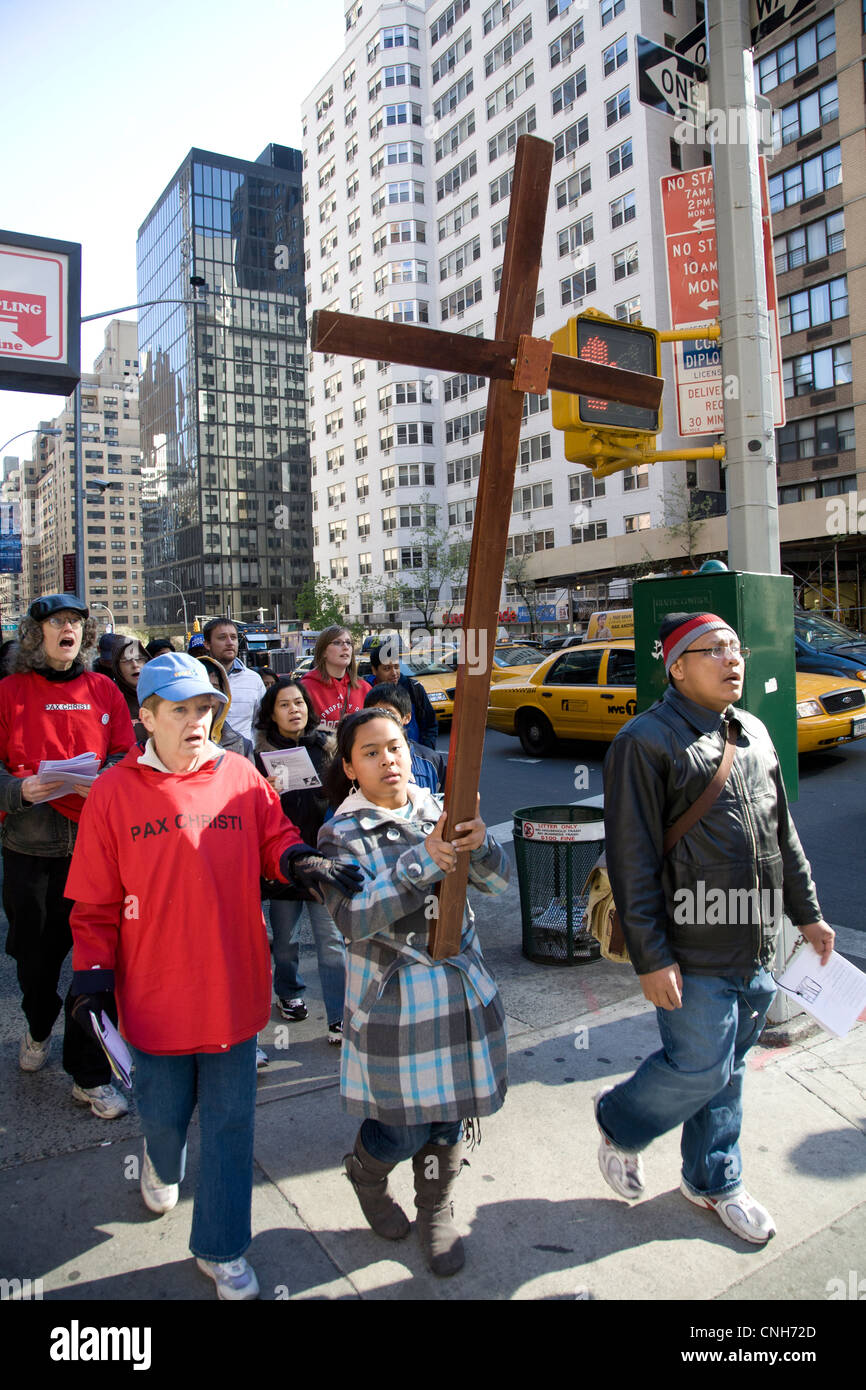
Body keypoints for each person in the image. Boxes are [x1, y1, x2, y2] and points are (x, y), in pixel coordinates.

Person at [64, 651, 364, 1300]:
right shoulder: (113, 793)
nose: (198, 720)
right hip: (153, 999)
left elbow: (275, 839)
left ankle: (223, 1247)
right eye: (180, 709)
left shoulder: (239, 776)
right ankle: (161, 1161)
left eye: (205, 707)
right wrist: (90, 977)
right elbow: (92, 905)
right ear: (146, 717)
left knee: (231, 1127)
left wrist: (303, 864)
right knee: (164, 1118)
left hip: (233, 992)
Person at [596, 612, 834, 1245]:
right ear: (676, 666)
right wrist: (651, 958)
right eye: (714, 651)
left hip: (754, 942)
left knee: (728, 1069)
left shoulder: (751, 730)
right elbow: (632, 861)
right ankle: (620, 1121)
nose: (734, 661)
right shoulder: (643, 743)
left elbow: (783, 833)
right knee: (699, 1067)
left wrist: (806, 913)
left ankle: (712, 1179)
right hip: (690, 946)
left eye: (737, 649)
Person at [316, 708, 509, 1277]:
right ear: (350, 767)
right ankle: (367, 1174)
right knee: (401, 1126)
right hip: (394, 1004)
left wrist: (481, 847)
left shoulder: (440, 813)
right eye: (370, 752)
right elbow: (353, 918)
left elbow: (495, 886)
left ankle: (436, 1208)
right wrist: (420, 863)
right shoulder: (338, 835)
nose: (387, 760)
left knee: (448, 1116)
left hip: (457, 994)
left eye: (395, 747)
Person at [0, 593, 136, 1118]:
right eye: (58, 622)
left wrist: (110, 777)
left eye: (77, 623)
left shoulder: (103, 689)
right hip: (29, 850)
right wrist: (20, 791)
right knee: (35, 964)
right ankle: (37, 1024)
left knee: (96, 965)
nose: (69, 630)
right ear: (36, 635)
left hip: (93, 850)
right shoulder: (9, 692)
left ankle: (89, 1075)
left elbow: (127, 753)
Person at [254, 678, 347, 1043]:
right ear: (271, 713)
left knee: (331, 942)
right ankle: (289, 992)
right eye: (284, 705)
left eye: (299, 703)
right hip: (282, 863)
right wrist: (266, 792)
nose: (294, 710)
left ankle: (339, 1015)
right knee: (286, 941)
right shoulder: (257, 754)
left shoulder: (327, 747)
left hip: (323, 861)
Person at [363, 682, 446, 793]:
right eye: (373, 713)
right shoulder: (359, 759)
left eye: (388, 713)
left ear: (406, 717)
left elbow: (443, 802)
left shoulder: (430, 760)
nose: (380, 719)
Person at [202, 618, 265, 743]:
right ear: (207, 644)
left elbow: (262, 723)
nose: (230, 642)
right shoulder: (198, 677)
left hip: (244, 756)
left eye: (234, 637)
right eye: (222, 638)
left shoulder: (254, 680)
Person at [368, 638, 437, 750]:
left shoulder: (414, 688)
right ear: (374, 670)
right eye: (387, 668)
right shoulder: (365, 690)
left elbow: (430, 725)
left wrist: (425, 751)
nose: (394, 673)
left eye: (396, 667)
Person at [300, 625, 370, 729]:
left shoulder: (364, 688)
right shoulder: (306, 688)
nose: (345, 647)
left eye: (348, 643)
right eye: (337, 643)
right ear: (323, 651)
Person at [197, 655, 254, 760]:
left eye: (215, 688)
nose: (209, 696)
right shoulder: (171, 744)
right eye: (201, 687)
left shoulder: (241, 745)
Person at [110, 637, 150, 742]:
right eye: (127, 660)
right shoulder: (111, 702)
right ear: (117, 667)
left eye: (139, 658)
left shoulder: (162, 696)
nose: (135, 665)